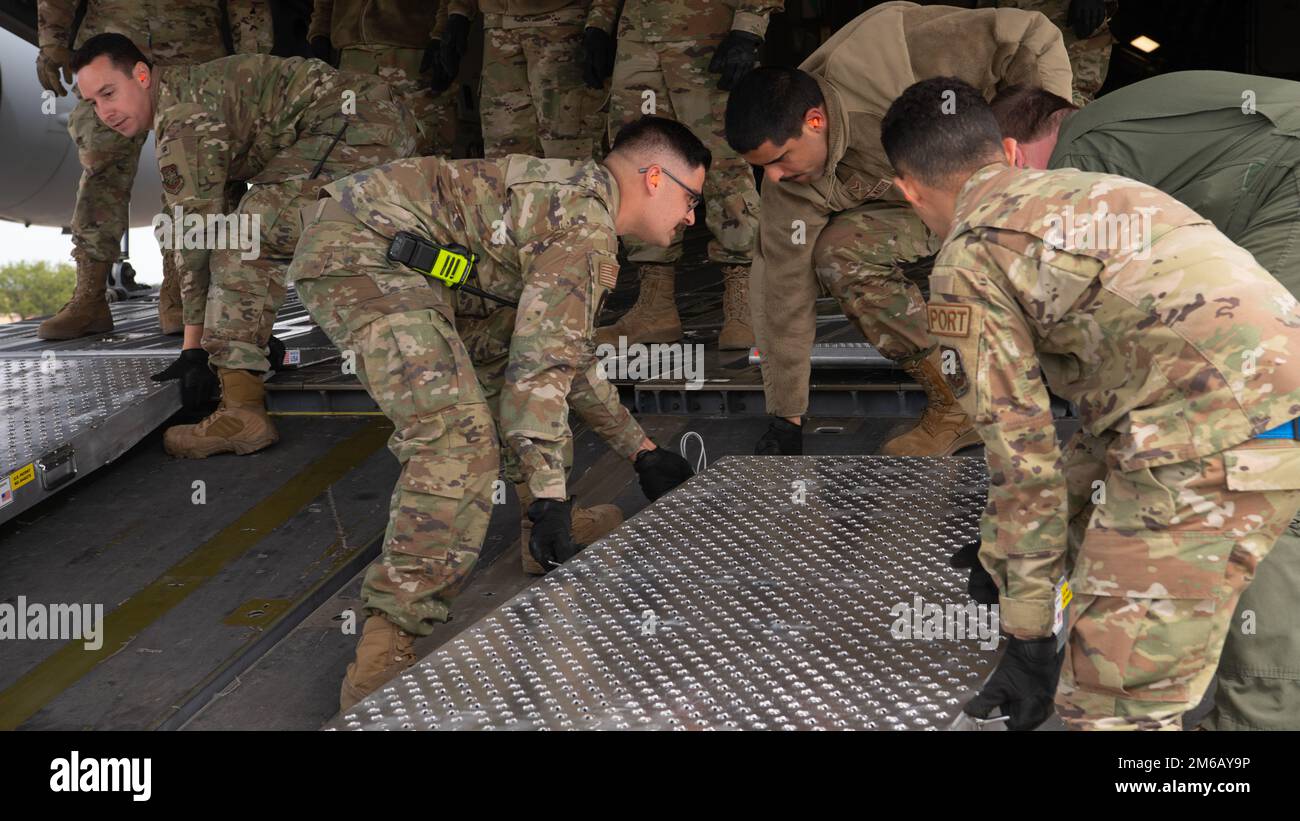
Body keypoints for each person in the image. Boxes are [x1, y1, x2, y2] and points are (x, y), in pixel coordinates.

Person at [882, 76, 1300, 730]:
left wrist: (1026, 636)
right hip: (1266, 415)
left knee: (1111, 712)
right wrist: (1006, 554)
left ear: (908, 190)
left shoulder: (966, 260)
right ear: (1011, 153)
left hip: (1205, 441)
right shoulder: (1099, 192)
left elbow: (1024, 462)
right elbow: (1116, 416)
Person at [286, 116, 702, 709]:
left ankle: (540, 535)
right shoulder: (584, 230)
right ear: (656, 178)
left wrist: (641, 452)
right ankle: (384, 648)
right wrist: (554, 494)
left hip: (419, 265)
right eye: (691, 200)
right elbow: (541, 374)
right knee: (457, 443)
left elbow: (562, 353)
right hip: (364, 255)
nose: (691, 218)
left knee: (518, 365)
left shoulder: (581, 208)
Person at [723, 1, 1071, 457]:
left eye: (779, 159)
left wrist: (1033, 152)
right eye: (761, 169)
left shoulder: (893, 53)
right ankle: (957, 402)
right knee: (836, 252)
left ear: (815, 121)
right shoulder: (789, 184)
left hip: (992, 174)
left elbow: (1029, 34)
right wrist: (786, 417)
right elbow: (782, 292)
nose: (774, 177)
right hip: (921, 203)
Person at [69, 33, 420, 459]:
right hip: (367, 122)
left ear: (142, 76)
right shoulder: (189, 99)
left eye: (109, 93)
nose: (105, 112)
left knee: (248, 234)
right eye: (93, 103)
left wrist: (195, 350)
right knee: (252, 224)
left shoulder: (184, 119)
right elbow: (209, 212)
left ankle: (242, 412)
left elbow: (195, 241)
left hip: (355, 126)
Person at [588, 0, 783, 351]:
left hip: (705, 32)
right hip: (638, 38)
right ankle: (655, 306)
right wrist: (598, 23)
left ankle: (745, 301)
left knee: (724, 164)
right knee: (640, 162)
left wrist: (749, 27)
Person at [34, 0, 230, 339]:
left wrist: (255, 52)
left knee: (191, 169)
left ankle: (180, 289)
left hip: (191, 49)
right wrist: (52, 41)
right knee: (101, 167)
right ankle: (90, 297)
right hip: (109, 50)